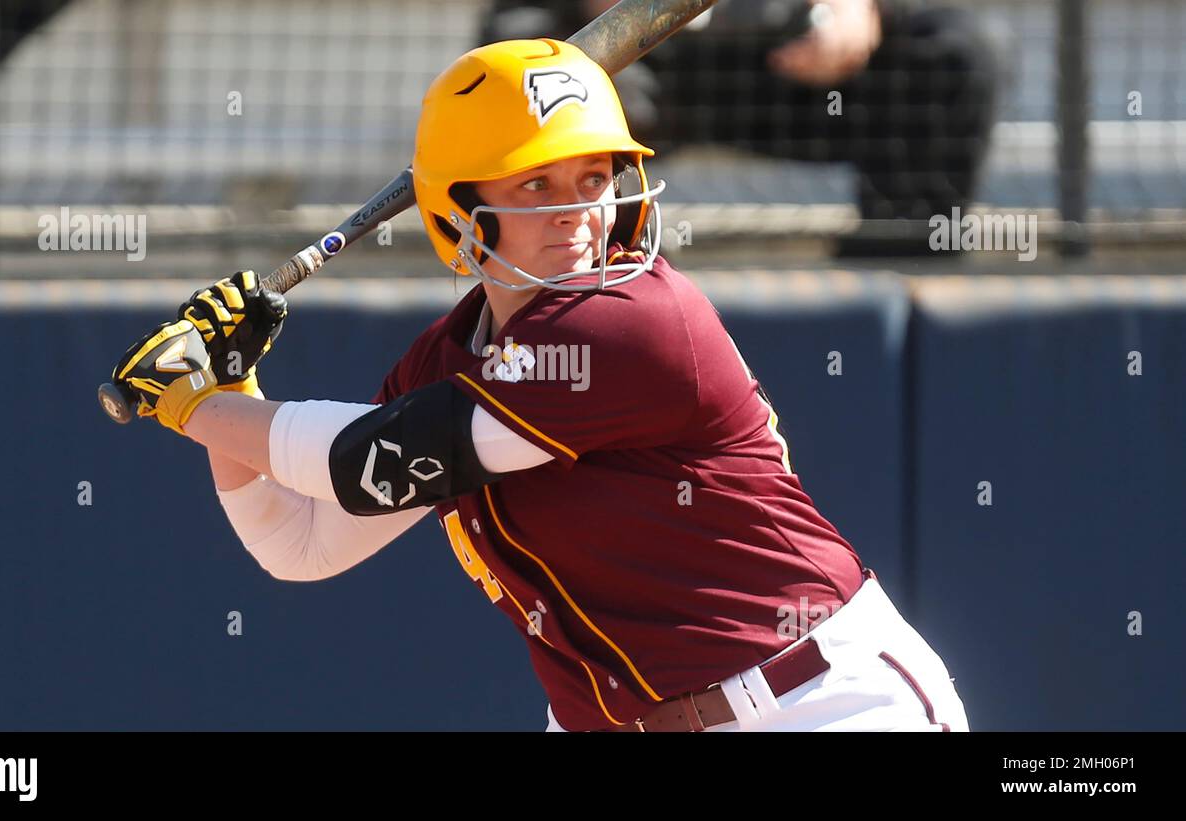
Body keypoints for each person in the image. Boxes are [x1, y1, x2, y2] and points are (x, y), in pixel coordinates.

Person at [109, 38, 970, 732]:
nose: (577, 210)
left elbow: (366, 462)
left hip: (813, 702)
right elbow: (298, 542)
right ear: (459, 211)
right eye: (536, 183)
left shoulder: (633, 320)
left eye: (593, 177)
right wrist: (230, 389)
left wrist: (190, 403)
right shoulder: (447, 358)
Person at [480, 0, 1006, 256]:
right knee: (528, 70)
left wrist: (862, 8)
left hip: (791, 60)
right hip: (628, 54)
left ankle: (898, 269)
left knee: (957, 49)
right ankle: (597, 283)